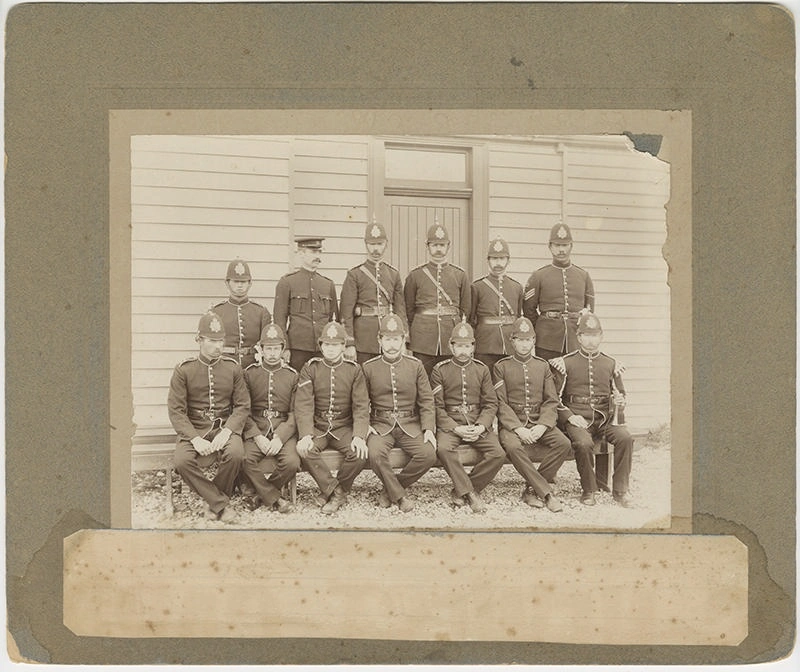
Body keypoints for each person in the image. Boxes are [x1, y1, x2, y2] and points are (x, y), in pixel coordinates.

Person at [167, 311, 250, 523]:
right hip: (194, 428)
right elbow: (176, 410)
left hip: (224, 426)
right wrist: (194, 438)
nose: (218, 346)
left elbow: (242, 405)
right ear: (199, 340)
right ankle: (219, 503)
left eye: (221, 341)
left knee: (236, 453)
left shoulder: (233, 368)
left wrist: (228, 432)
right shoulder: (184, 370)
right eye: (212, 341)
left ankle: (212, 501)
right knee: (182, 461)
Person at [549, 311, 634, 507]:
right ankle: (589, 489)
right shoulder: (565, 363)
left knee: (625, 438)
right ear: (578, 337)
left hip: (605, 418)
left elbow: (621, 394)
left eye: (594, 335)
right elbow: (554, 399)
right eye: (586, 335)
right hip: (578, 418)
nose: (590, 340)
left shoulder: (611, 363)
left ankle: (621, 490)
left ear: (601, 336)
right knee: (584, 443)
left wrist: (620, 401)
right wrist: (569, 417)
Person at [492, 317, 571, 512]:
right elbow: (500, 402)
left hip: (538, 421)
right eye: (520, 339)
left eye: (528, 340)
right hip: (513, 424)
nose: (524, 344)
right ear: (512, 341)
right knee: (512, 446)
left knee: (564, 443)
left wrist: (543, 425)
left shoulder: (542, 366)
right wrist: (518, 429)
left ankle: (530, 489)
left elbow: (552, 400)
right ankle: (546, 493)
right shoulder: (501, 366)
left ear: (534, 341)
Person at [293, 321, 370, 514]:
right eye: (326, 344)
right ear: (320, 346)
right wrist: (306, 434)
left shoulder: (354, 369)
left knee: (359, 454)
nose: (330, 349)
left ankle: (332, 491)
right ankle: (336, 492)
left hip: (343, 426)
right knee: (305, 450)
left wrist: (359, 435)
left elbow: (361, 405)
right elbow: (303, 404)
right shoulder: (311, 368)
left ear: (344, 346)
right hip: (318, 426)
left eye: (335, 344)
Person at [362, 313, 437, 512]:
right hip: (380, 425)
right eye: (388, 339)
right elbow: (360, 402)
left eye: (396, 339)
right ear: (380, 340)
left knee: (428, 454)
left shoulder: (416, 366)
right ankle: (400, 496)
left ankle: (390, 489)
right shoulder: (369, 367)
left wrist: (428, 428)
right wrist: (365, 425)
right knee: (375, 454)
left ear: (403, 340)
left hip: (410, 424)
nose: (392, 345)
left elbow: (427, 399)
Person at [430, 320, 506, 513]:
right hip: (452, 424)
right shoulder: (440, 370)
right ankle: (471, 494)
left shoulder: (481, 369)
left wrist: (481, 426)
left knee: (498, 454)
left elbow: (491, 403)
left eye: (467, 346)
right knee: (444, 449)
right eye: (459, 346)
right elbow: (436, 406)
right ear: (451, 347)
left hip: (477, 422)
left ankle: (463, 489)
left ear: (473, 347)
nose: (463, 350)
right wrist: (455, 428)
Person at [239, 322, 299, 514]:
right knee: (244, 458)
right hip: (257, 427)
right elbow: (243, 410)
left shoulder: (292, 375)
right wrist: (256, 436)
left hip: (283, 429)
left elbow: (295, 413)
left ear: (282, 350)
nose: (272, 353)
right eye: (268, 349)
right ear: (261, 350)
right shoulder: (249, 374)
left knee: (292, 462)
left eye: (276, 348)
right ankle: (275, 498)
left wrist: (280, 437)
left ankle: (259, 494)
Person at [404, 221, 471, 376]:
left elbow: (466, 309)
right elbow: (409, 309)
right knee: (423, 379)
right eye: (434, 245)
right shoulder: (416, 276)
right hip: (423, 338)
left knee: (450, 379)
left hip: (450, 335)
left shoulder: (460, 275)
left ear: (448, 246)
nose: (438, 249)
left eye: (442, 245)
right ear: (427, 247)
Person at [523, 222, 595, 360]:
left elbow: (589, 310)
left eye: (565, 245)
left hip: (575, 340)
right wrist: (543, 328)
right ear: (550, 247)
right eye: (557, 245)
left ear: (571, 246)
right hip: (547, 340)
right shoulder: (539, 276)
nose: (561, 250)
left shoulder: (583, 275)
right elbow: (528, 309)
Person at [339, 220, 407, 365]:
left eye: (379, 244)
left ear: (386, 244)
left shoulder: (393, 274)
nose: (376, 249)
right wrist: (349, 342)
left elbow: (400, 309)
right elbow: (346, 311)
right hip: (363, 338)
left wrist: (403, 339)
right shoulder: (355, 275)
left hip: (389, 337)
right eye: (372, 244)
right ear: (366, 244)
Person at [273, 236, 339, 373]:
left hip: (324, 349)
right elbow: (280, 319)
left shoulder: (327, 284)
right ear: (301, 254)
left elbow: (334, 320)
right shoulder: (287, 282)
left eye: (319, 252)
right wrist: (285, 348)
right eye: (313, 252)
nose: (317, 256)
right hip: (297, 350)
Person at [470, 236, 523, 371]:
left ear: (508, 260)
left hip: (510, 344)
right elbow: (471, 319)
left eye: (502, 258)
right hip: (486, 344)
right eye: (494, 259)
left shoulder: (516, 287)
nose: (498, 263)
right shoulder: (478, 287)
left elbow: (517, 316)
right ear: (487, 261)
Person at [212, 259, 272, 370]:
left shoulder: (261, 312)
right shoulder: (216, 312)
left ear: (250, 284)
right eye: (235, 281)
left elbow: (268, 344)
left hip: (253, 368)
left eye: (243, 282)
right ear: (227, 283)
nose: (240, 285)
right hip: (225, 367)